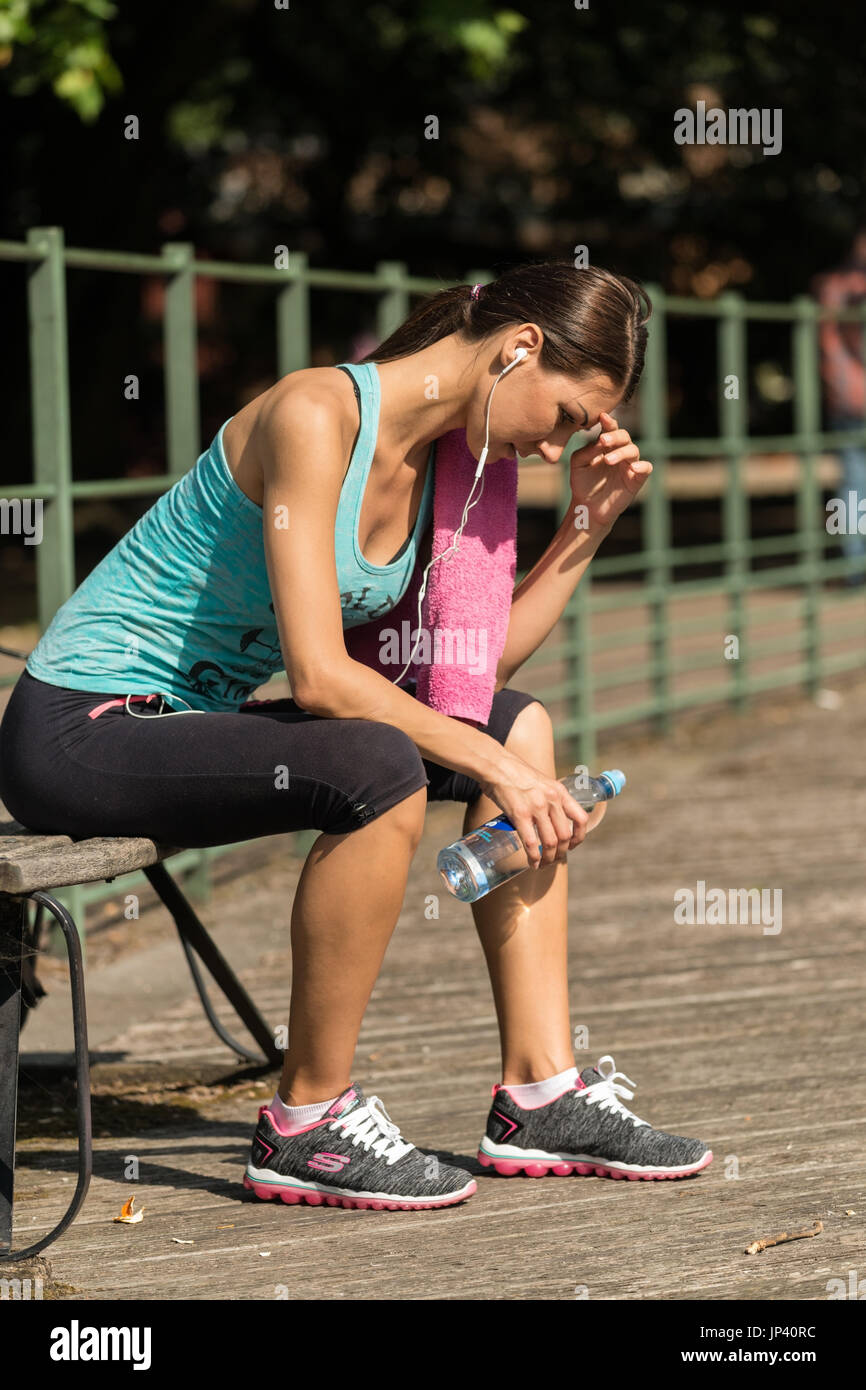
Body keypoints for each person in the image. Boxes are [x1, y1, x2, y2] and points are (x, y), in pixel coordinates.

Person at [0, 260, 712, 1211]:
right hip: (80, 727)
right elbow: (324, 679)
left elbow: (467, 675)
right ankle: (305, 1122)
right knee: (379, 764)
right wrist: (493, 766)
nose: (554, 450)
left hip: (193, 724)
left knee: (518, 723)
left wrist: (585, 525)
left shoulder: (439, 467)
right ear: (519, 349)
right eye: (568, 415)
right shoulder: (315, 415)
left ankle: (540, 1092)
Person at [814, 226, 866, 584]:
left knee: (851, 487)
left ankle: (853, 568)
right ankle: (854, 566)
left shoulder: (828, 287)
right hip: (852, 400)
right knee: (852, 486)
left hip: (845, 397)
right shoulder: (845, 289)